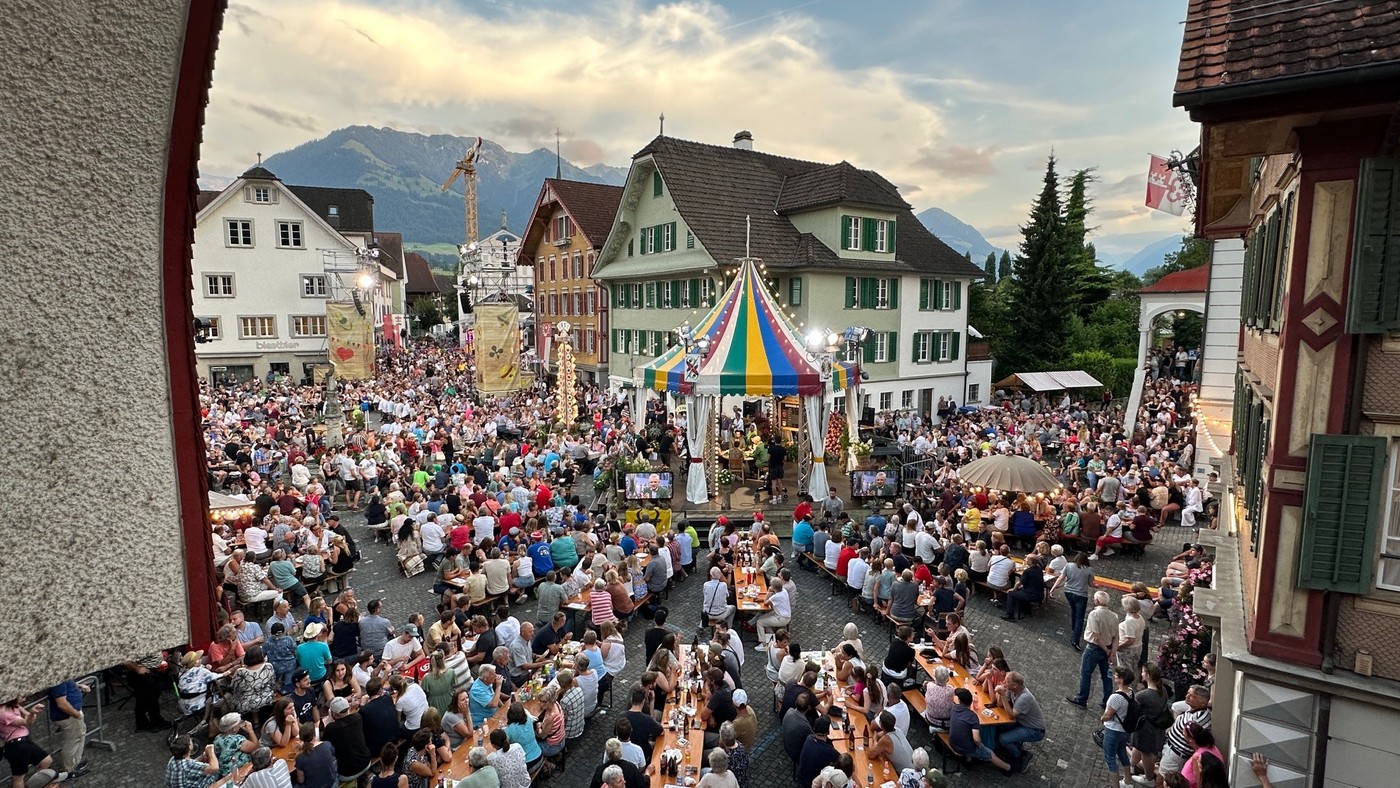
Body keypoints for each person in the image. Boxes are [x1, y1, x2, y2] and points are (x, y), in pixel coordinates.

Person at [982, 671, 1043, 773]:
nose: (1004, 683)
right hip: (1021, 722)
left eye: (1006, 682)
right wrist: (1000, 693)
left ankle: (1019, 756)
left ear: (1015, 685)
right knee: (999, 728)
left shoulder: (1024, 698)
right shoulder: (1012, 690)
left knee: (1003, 739)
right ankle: (1011, 749)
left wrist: (1002, 694)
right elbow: (1001, 705)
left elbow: (1011, 715)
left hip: (1033, 729)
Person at [1, 695, 68, 788]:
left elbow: (29, 718)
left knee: (46, 760)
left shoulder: (14, 706)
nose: (24, 699)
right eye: (21, 696)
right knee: (19, 777)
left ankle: (36, 783)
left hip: (25, 741)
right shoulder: (3, 713)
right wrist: (32, 712)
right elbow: (26, 722)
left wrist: (32, 713)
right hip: (16, 745)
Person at [1066, 591, 1118, 708]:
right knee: (1106, 676)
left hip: (1094, 648)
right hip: (1108, 647)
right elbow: (1116, 638)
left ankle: (1082, 698)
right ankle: (1107, 700)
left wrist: (1106, 650)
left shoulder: (1094, 615)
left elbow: (1096, 636)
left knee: (1086, 674)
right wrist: (1112, 653)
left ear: (1097, 601)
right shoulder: (1114, 616)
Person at [947, 688, 1012, 775]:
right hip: (966, 748)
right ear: (970, 702)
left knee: (965, 733)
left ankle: (969, 759)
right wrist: (981, 747)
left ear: (959, 700)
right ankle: (1007, 767)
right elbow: (976, 739)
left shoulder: (955, 708)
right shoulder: (972, 717)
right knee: (990, 754)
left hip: (953, 742)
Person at [1099, 667, 1136, 788]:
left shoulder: (1116, 697)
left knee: (1110, 758)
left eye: (1116, 676)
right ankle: (1128, 780)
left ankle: (1115, 786)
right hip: (1125, 730)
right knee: (1122, 753)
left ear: (1121, 679)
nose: (1114, 677)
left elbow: (1108, 715)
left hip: (1113, 730)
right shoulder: (1131, 692)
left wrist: (1102, 718)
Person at [321, 697, 371, 787]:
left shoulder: (331, 728)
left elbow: (324, 744)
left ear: (333, 713)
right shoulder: (357, 717)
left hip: (347, 774)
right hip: (366, 762)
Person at [1051, 552, 1094, 650]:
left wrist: (1053, 588)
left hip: (1068, 593)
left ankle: (1074, 628)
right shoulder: (1089, 570)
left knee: (1073, 610)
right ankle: (1075, 638)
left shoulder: (1068, 566)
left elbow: (1061, 578)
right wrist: (1096, 586)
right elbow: (1091, 584)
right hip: (1081, 595)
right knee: (1080, 617)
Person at [165, 734, 243, 788]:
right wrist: (211, 751)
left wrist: (203, 756)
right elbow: (215, 767)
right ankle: (229, 779)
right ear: (189, 749)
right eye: (190, 742)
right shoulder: (188, 765)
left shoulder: (174, 758)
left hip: (180, 784)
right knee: (217, 775)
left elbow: (192, 763)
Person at [46, 678, 88, 778]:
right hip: (69, 716)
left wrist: (77, 685)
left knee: (78, 736)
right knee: (72, 742)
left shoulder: (61, 677)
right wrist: (76, 714)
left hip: (72, 715)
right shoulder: (58, 680)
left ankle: (75, 763)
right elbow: (62, 703)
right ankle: (69, 770)